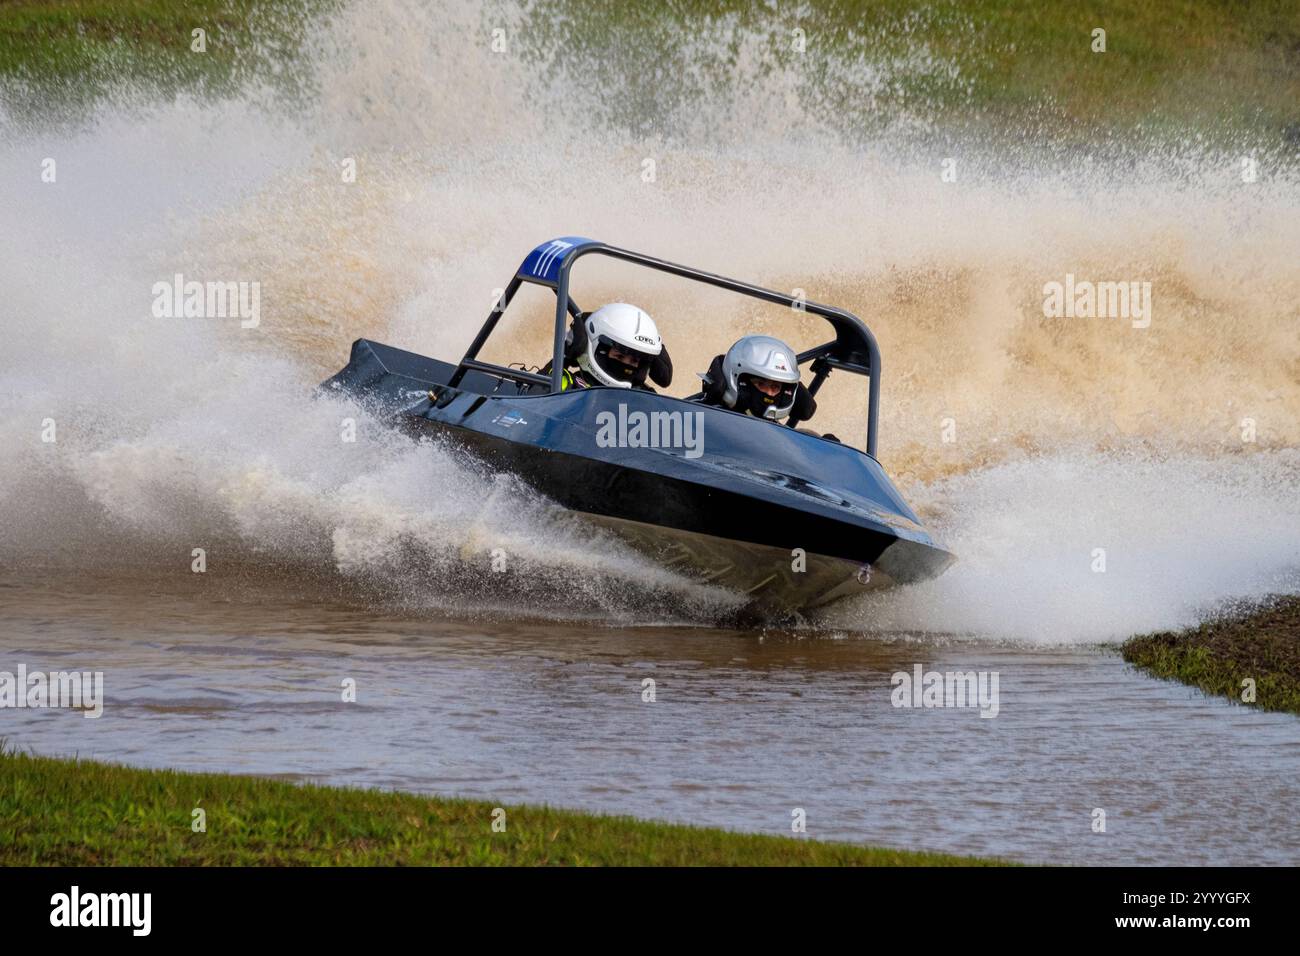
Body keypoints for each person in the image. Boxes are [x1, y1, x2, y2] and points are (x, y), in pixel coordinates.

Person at [542, 302, 673, 391]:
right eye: (619, 356)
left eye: (634, 361)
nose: (626, 365)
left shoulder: (646, 400)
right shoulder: (563, 384)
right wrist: (568, 353)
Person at [697, 334, 817, 422]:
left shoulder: (786, 438)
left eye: (775, 387)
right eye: (760, 384)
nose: (769, 393)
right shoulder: (699, 419)